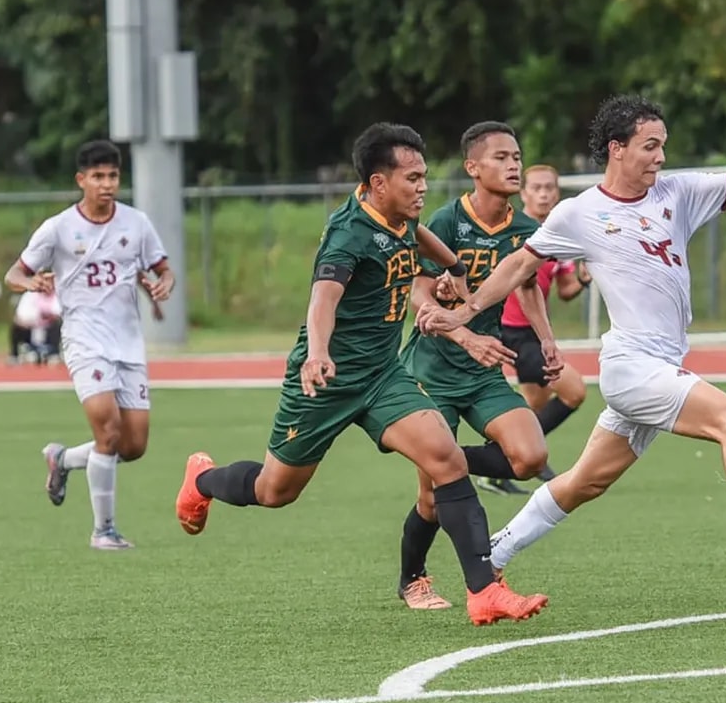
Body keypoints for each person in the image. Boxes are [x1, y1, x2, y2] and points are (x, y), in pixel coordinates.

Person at [417, 95, 726, 589]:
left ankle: (493, 553)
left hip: (659, 364)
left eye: (663, 146)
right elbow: (518, 265)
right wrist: (466, 312)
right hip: (632, 366)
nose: (661, 157)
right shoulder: (579, 214)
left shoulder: (678, 192)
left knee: (584, 482)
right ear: (617, 149)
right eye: (650, 146)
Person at [173, 122, 549, 626]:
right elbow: (323, 298)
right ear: (377, 183)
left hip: (383, 375)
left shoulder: (399, 216)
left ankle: (483, 591)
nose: (422, 188)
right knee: (274, 491)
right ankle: (203, 479)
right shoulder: (350, 233)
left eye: (423, 177)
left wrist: (456, 269)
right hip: (327, 381)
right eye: (412, 179)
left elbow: (420, 239)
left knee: (446, 458)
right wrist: (318, 353)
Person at [395, 121, 563, 610]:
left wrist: (547, 340)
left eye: (517, 157)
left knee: (530, 457)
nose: (514, 165)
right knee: (430, 500)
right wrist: (463, 332)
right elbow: (419, 295)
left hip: (482, 371)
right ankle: (413, 579)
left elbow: (528, 284)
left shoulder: (526, 230)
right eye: (502, 158)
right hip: (431, 371)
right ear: (473, 168)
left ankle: (446, 458)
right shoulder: (446, 222)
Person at [3, 139, 176, 550]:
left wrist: (162, 285)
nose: (107, 183)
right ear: (81, 180)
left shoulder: (136, 224)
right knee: (107, 429)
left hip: (128, 344)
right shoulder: (59, 228)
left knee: (132, 446)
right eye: (97, 176)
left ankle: (62, 460)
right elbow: (15, 272)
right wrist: (31, 281)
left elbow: (163, 269)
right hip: (84, 340)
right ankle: (104, 530)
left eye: (113, 175)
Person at [481, 164, 592, 495]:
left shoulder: (558, 234)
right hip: (512, 331)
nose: (544, 194)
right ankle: (517, 458)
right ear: (524, 193)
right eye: (537, 188)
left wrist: (584, 279)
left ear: (557, 194)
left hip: (534, 334)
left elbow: (565, 289)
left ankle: (497, 466)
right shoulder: (517, 230)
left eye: (550, 188)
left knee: (536, 406)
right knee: (574, 391)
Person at [9, 288, 62, 365]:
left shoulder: (58, 296)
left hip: (49, 329)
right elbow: (21, 315)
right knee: (16, 326)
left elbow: (58, 313)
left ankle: (53, 353)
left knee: (57, 325)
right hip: (30, 328)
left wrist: (49, 316)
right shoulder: (30, 295)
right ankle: (15, 355)